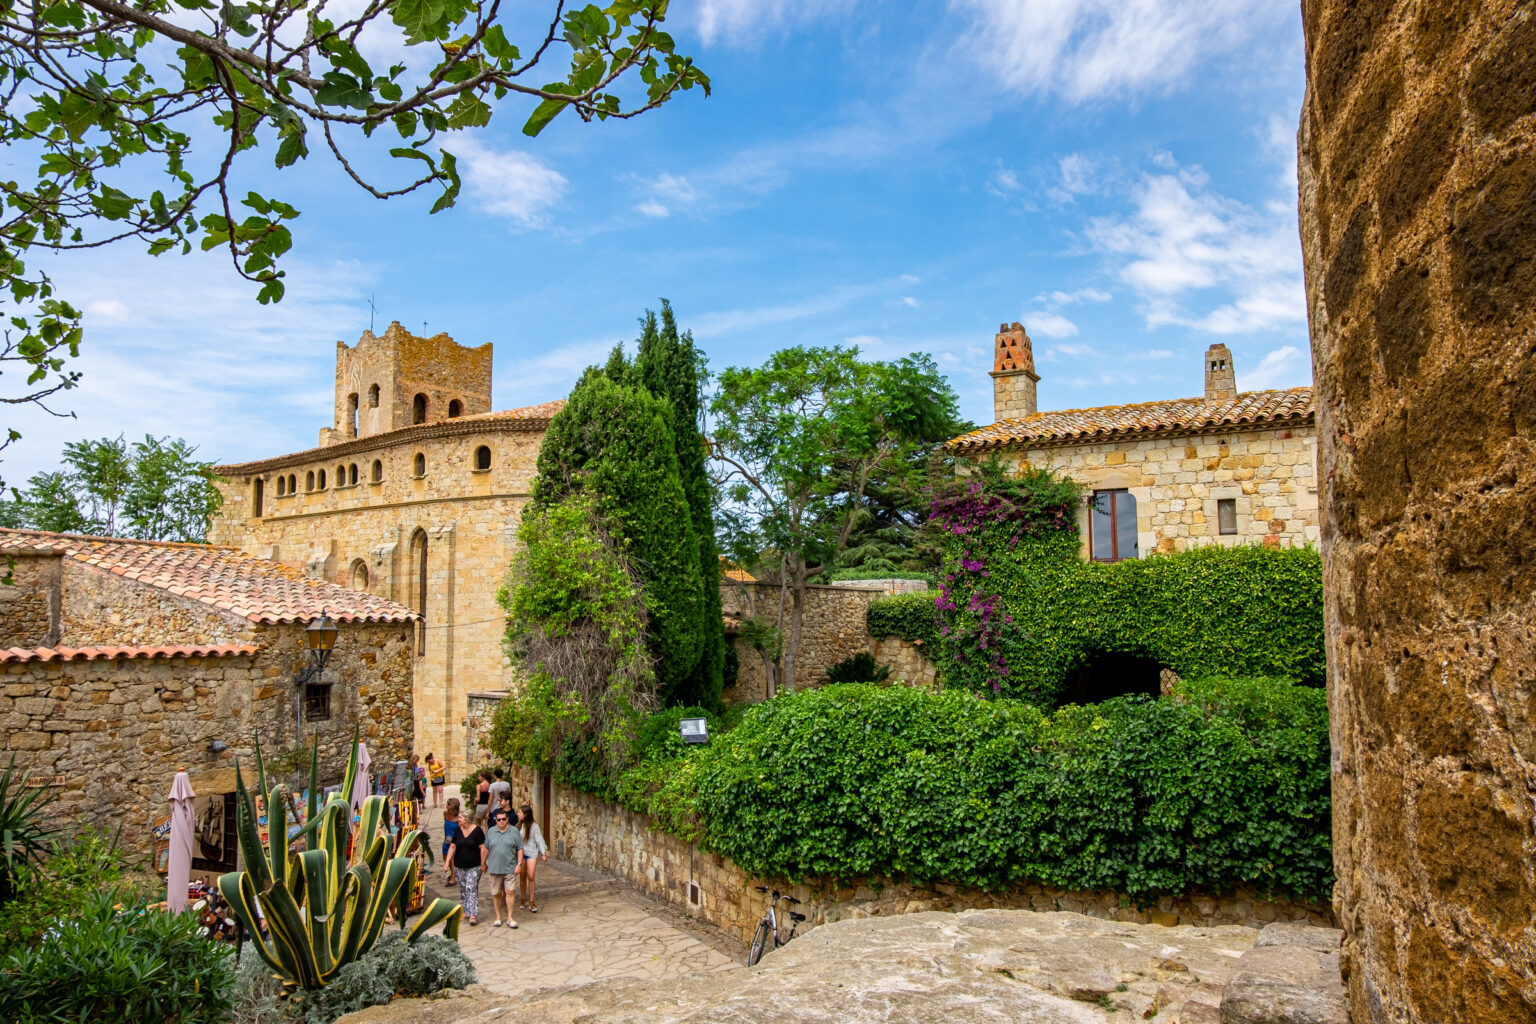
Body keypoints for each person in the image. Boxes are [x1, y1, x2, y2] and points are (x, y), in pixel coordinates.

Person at [482, 807, 522, 929]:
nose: (501, 821)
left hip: (510, 867)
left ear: (507, 819)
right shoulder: (491, 832)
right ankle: (498, 917)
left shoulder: (514, 831)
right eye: (499, 819)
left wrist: (519, 864)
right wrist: (483, 863)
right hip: (494, 868)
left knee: (510, 892)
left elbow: (520, 848)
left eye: (503, 819)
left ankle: (510, 917)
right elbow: (486, 848)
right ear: (496, 820)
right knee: (496, 893)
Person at [448, 813, 486, 925]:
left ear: (467, 819)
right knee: (464, 889)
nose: (458, 819)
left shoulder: (477, 831)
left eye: (460, 817)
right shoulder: (458, 830)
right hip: (460, 866)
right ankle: (466, 911)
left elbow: (483, 848)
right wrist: (447, 863)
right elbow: (452, 846)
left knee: (471, 888)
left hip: (474, 866)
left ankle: (473, 914)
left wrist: (483, 863)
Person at [515, 803, 549, 914]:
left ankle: (532, 900)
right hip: (522, 854)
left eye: (520, 813)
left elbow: (539, 839)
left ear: (525, 814)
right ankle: (523, 898)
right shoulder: (518, 826)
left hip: (531, 853)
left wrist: (543, 853)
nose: (518, 814)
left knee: (531, 875)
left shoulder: (534, 827)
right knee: (522, 876)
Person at [441, 798, 462, 885]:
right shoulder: (445, 813)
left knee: (453, 860)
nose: (447, 805)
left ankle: (453, 879)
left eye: (448, 804)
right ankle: (454, 872)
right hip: (447, 840)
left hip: (455, 841)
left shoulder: (459, 817)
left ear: (453, 806)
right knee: (445, 858)